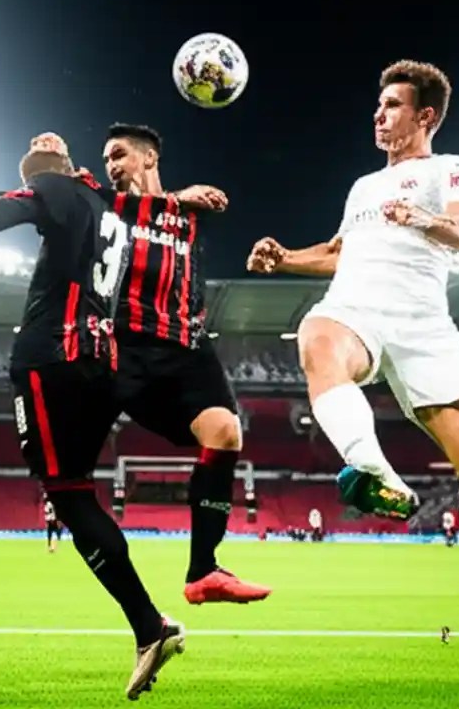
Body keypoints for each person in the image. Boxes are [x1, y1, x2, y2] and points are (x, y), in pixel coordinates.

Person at [0, 84, 206, 698]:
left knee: (66, 494)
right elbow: (143, 203)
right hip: (103, 359)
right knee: (79, 489)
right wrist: (177, 197)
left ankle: (149, 625)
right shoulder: (108, 203)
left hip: (50, 357)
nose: (42, 141)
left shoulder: (57, 189)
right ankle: (152, 618)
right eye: (34, 151)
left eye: (49, 147)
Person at [245, 60, 459, 679]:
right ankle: (375, 470)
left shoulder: (451, 170)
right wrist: (285, 257)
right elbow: (342, 255)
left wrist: (423, 218)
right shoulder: (363, 187)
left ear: (425, 115)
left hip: (425, 324)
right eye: (378, 105)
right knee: (317, 336)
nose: (379, 114)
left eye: (393, 105)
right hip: (358, 309)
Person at [100, 123, 270, 606]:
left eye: (120, 156)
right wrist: (178, 197)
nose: (112, 166)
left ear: (149, 157)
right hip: (129, 347)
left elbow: (218, 202)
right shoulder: (111, 210)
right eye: (107, 159)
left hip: (188, 344)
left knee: (226, 432)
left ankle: (203, 571)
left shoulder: (187, 213)